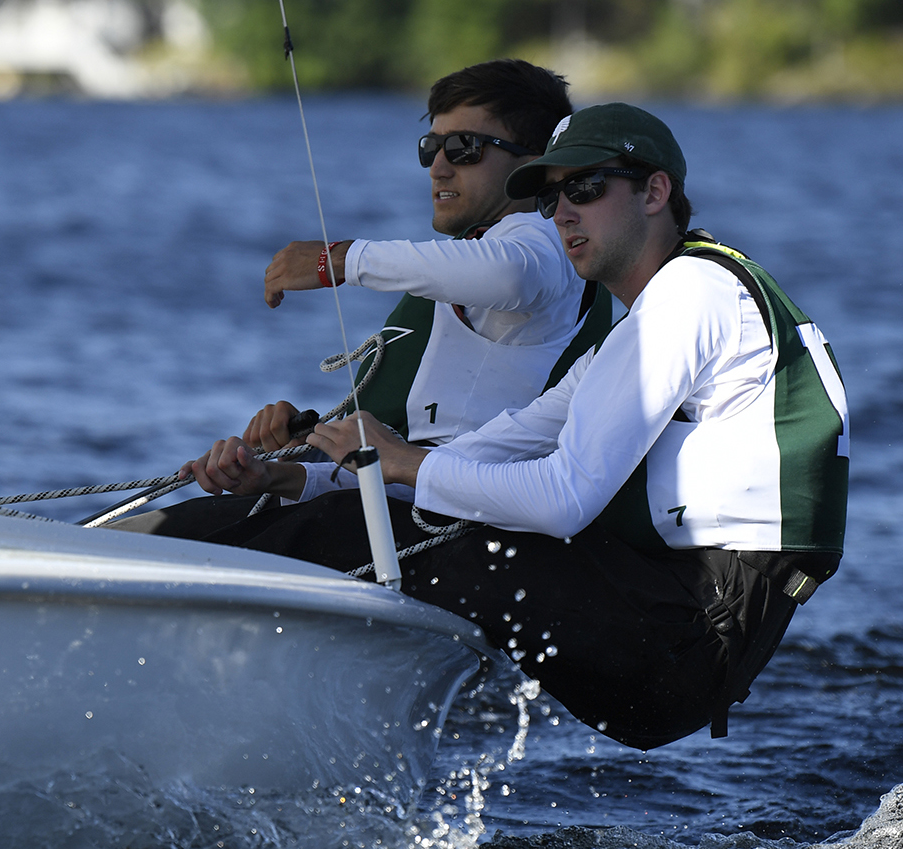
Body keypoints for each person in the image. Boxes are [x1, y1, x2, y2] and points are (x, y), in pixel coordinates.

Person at [172, 104, 850, 751]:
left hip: (695, 631)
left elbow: (564, 500)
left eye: (585, 188)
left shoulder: (688, 296)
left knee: (395, 535)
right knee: (372, 517)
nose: (564, 214)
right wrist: (296, 478)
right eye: (551, 199)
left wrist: (402, 463)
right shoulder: (645, 326)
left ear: (654, 193)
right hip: (677, 618)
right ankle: (185, 579)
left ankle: (172, 608)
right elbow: (499, 445)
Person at [115, 60, 612, 535]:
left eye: (464, 148)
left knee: (162, 539)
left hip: (452, 533)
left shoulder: (544, 240)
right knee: (165, 529)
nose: (437, 167)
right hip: (411, 509)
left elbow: (512, 275)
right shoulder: (479, 256)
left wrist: (341, 259)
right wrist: (279, 475)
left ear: (530, 164)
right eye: (430, 147)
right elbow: (408, 468)